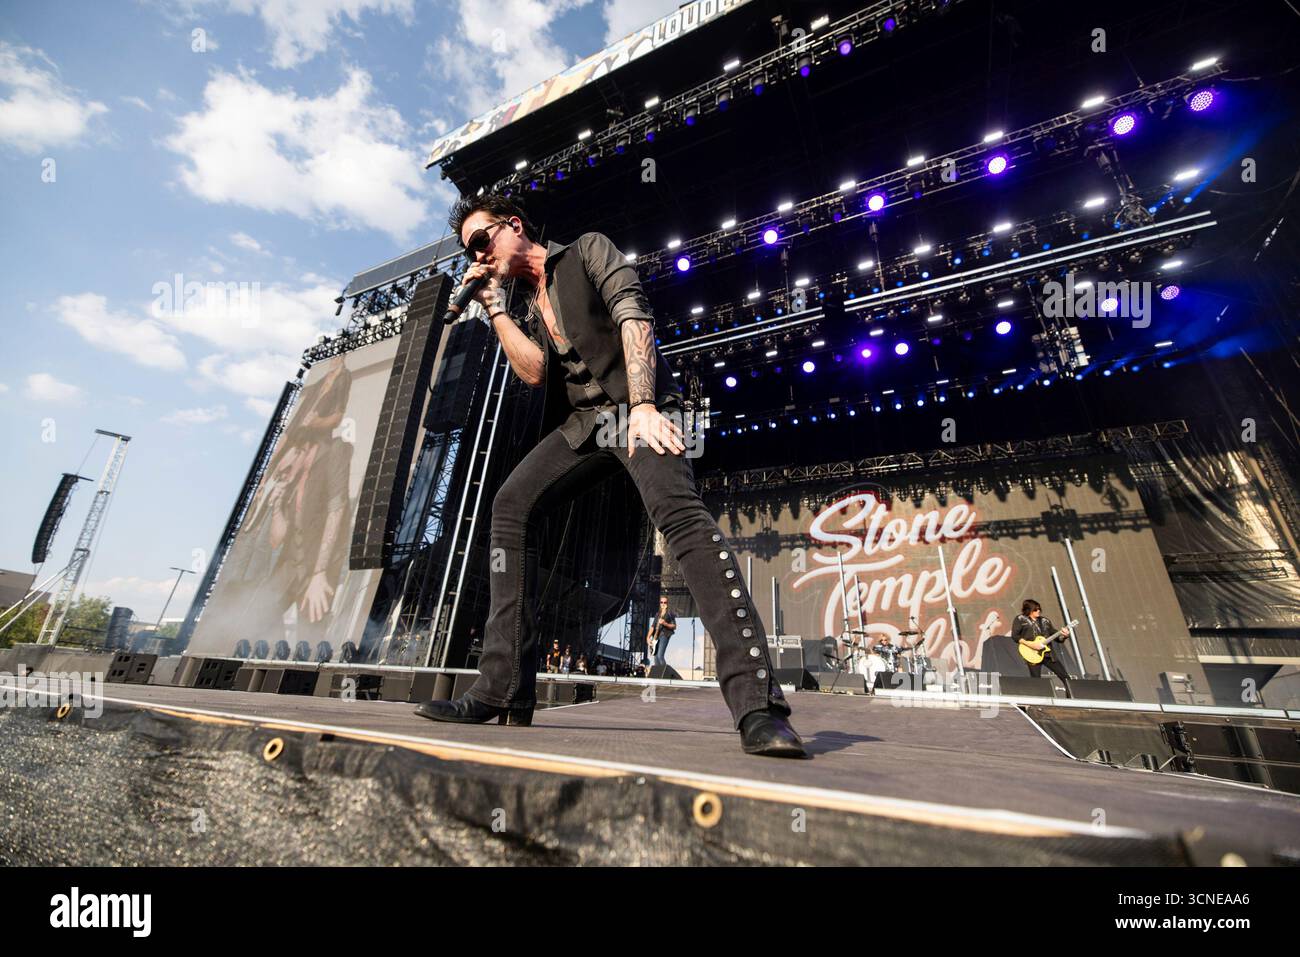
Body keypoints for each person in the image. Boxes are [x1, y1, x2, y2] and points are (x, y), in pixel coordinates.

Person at [414, 193, 804, 757]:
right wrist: (495, 308)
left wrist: (642, 405)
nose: (477, 254)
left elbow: (633, 312)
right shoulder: (526, 302)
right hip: (587, 422)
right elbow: (533, 373)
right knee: (510, 507)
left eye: (481, 240)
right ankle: (502, 691)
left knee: (678, 515)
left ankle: (759, 705)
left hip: (644, 404)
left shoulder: (587, 251)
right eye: (469, 250)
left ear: (514, 226)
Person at [1012, 599, 1073, 697]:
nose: (1038, 611)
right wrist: (1031, 645)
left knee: (1065, 677)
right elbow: (1015, 636)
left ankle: (1071, 699)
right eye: (1035, 609)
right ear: (1028, 610)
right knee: (1036, 680)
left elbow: (1057, 638)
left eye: (1039, 609)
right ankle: (1039, 702)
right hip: (1032, 654)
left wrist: (1064, 635)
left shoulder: (1045, 621)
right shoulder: (1020, 619)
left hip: (1048, 654)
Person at [646, 594, 677, 665]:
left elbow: (674, 626)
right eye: (661, 602)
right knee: (656, 657)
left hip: (664, 635)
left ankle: (665, 674)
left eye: (665, 602)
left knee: (660, 656)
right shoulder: (657, 614)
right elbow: (652, 626)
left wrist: (665, 623)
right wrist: (647, 637)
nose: (663, 604)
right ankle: (657, 675)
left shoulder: (670, 613)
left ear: (667, 604)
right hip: (656, 637)